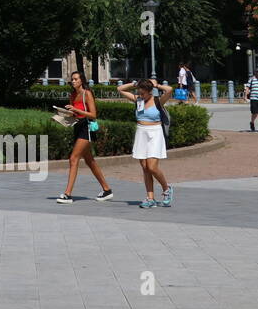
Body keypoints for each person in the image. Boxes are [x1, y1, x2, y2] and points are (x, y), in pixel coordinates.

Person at [56, 71, 113, 204]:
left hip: (86, 127)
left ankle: (68, 194)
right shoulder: (73, 95)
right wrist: (61, 117)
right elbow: (73, 115)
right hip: (78, 126)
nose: (73, 81)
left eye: (76, 79)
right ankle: (107, 190)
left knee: (73, 158)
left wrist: (77, 111)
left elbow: (93, 114)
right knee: (89, 161)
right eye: (72, 79)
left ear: (82, 80)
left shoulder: (87, 94)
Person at [117, 78, 173, 208]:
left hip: (155, 132)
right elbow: (119, 89)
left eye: (143, 93)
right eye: (139, 93)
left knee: (152, 167)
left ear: (150, 91)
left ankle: (166, 188)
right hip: (141, 132)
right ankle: (150, 198)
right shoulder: (138, 100)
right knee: (145, 168)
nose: (140, 96)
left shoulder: (158, 100)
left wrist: (157, 85)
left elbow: (169, 90)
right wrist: (135, 84)